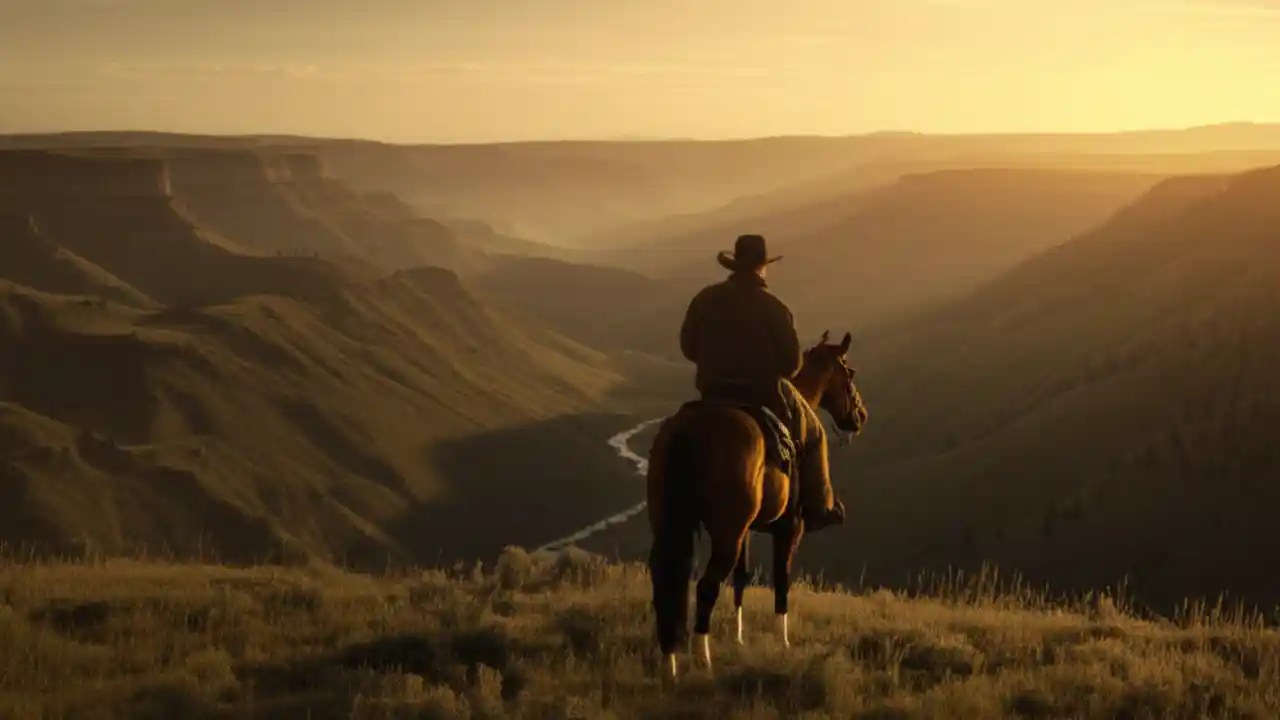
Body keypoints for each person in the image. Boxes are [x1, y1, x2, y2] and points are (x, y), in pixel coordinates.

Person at [679, 234, 845, 531]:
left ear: (734, 264)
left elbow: (688, 348)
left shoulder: (705, 299)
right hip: (762, 395)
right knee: (813, 433)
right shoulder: (774, 307)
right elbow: (792, 366)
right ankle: (817, 507)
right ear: (761, 267)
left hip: (713, 393)